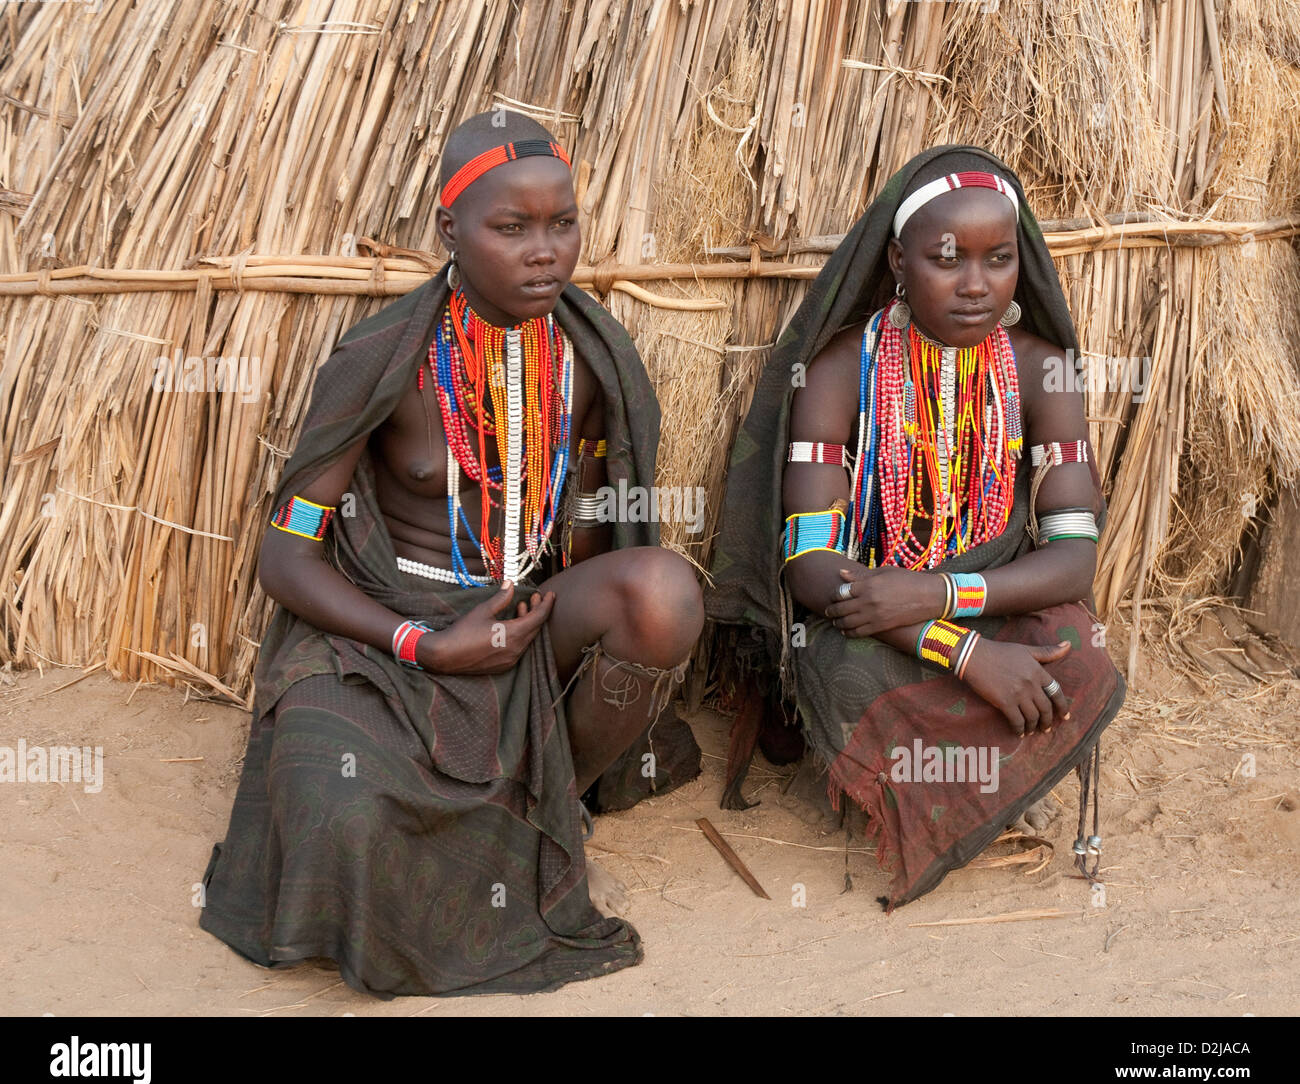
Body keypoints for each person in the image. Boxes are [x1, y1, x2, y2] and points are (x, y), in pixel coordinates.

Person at [199, 110, 705, 997]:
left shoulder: (592, 363)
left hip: (516, 625)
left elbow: (592, 545)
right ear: (450, 229)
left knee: (663, 593)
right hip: (379, 640)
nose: (545, 252)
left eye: (562, 225)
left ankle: (553, 804)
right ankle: (487, 804)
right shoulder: (382, 357)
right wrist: (424, 645)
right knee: (340, 815)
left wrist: (529, 629)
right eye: (512, 229)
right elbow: (285, 562)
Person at [707, 145, 1126, 909]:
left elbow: (1072, 563)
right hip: (870, 616)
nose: (976, 285)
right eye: (946, 259)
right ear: (898, 260)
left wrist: (937, 596)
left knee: (1083, 660)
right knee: (846, 674)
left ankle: (978, 789)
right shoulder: (840, 370)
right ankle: (971, 790)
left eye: (998, 259)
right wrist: (959, 652)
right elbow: (810, 568)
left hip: (982, 595)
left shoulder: (1040, 370)